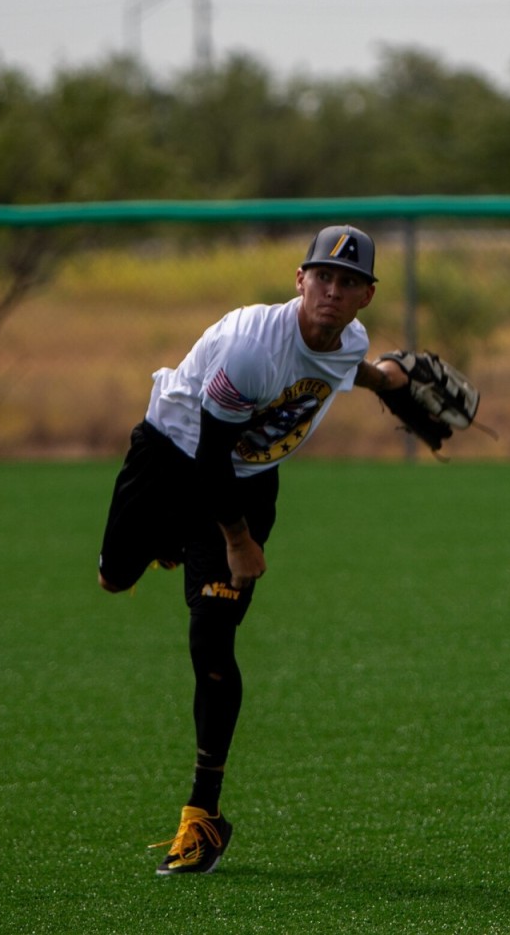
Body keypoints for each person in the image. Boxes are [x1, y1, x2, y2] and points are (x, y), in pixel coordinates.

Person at [97, 224, 409, 876]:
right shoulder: (251, 349)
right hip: (173, 455)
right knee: (113, 576)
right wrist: (237, 543)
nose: (332, 290)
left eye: (348, 282)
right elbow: (209, 456)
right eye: (322, 276)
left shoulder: (351, 338)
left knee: (212, 642)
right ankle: (174, 542)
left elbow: (343, 365)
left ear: (366, 296)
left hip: (248, 478)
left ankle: (202, 816)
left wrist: (386, 379)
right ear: (299, 280)